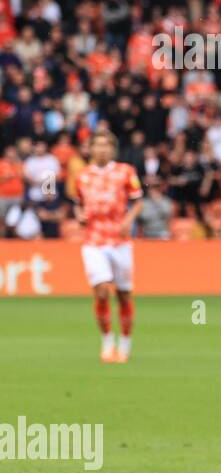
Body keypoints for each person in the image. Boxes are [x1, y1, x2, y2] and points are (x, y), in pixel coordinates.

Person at [73, 132, 143, 362]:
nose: (102, 149)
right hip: (93, 240)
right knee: (102, 290)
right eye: (98, 145)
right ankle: (106, 342)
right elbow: (77, 205)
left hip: (120, 241)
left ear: (113, 150)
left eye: (106, 146)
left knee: (124, 294)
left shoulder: (126, 172)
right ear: (90, 149)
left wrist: (128, 219)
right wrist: (79, 215)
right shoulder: (82, 176)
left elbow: (137, 201)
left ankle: (125, 344)